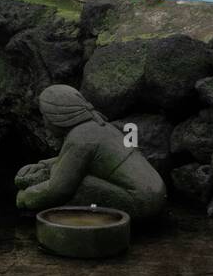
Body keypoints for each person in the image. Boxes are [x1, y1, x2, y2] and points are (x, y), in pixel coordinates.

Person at [14, 85, 167, 221]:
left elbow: (59, 190)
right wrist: (44, 166)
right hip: (156, 195)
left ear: (58, 117)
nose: (44, 122)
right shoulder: (99, 126)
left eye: (44, 117)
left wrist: (25, 197)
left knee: (76, 183)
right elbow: (77, 160)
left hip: (141, 203)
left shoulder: (80, 139)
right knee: (70, 173)